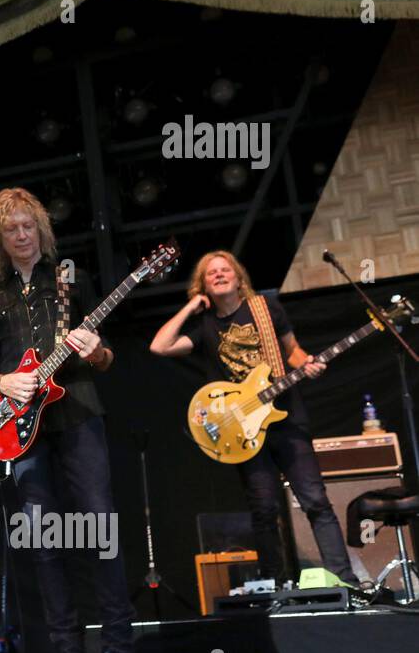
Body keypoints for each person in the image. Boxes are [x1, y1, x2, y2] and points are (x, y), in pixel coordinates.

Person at [0, 187, 142, 653]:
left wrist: (97, 351)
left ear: (41, 230)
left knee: (99, 527)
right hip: (21, 426)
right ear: (0, 239)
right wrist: (0, 382)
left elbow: (105, 360)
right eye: (11, 229)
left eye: (28, 226)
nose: (21, 235)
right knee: (45, 539)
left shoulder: (70, 281)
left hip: (77, 410)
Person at [150, 250, 361, 589]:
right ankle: (274, 586)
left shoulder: (265, 308)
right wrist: (191, 306)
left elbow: (292, 351)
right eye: (211, 273)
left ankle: (345, 579)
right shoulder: (204, 326)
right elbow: (159, 347)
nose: (219, 275)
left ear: (238, 277)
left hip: (286, 419)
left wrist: (309, 364)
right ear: (202, 284)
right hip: (244, 430)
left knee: (315, 500)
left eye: (225, 270)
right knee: (264, 508)